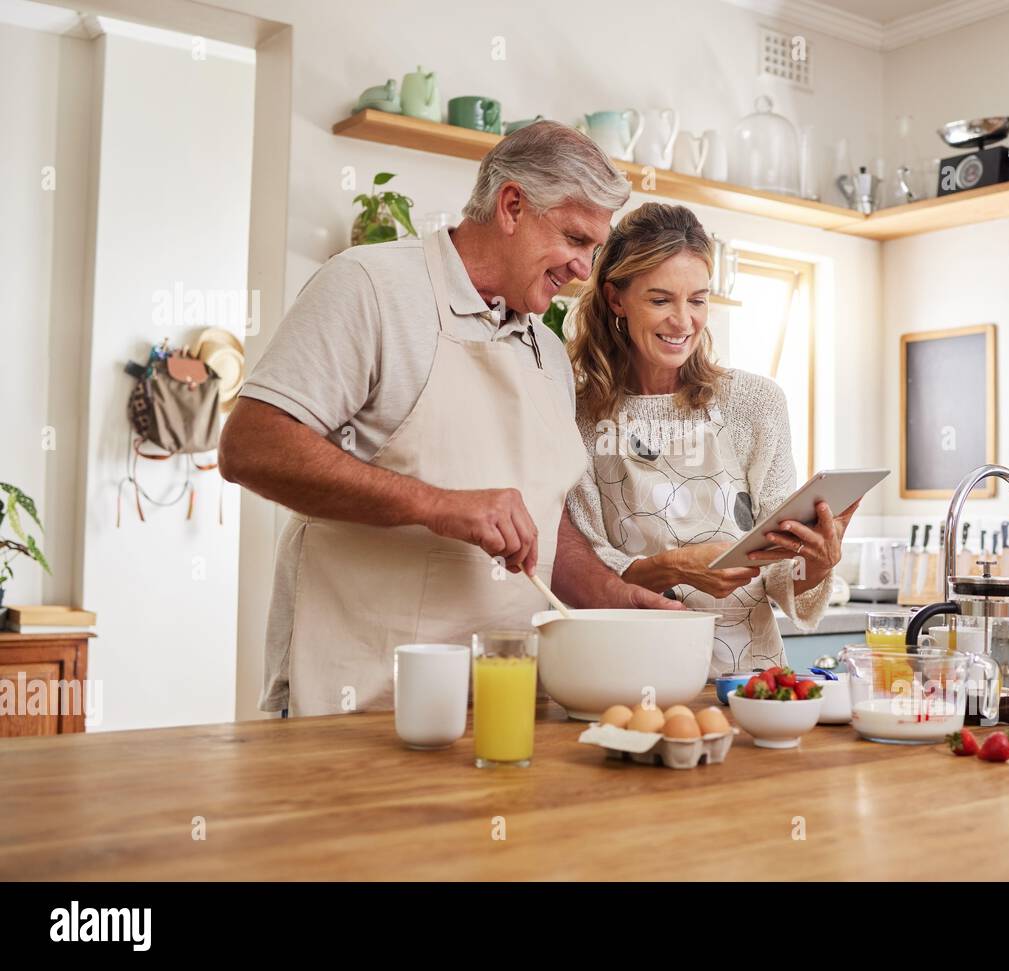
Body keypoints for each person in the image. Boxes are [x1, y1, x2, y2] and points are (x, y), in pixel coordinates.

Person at [219, 122, 676, 717]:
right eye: (574, 238)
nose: (584, 270)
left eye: (594, 249)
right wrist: (438, 504)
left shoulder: (546, 349)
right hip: (362, 706)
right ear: (512, 206)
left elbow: (540, 519)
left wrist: (608, 594)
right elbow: (251, 447)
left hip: (502, 709)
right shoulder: (369, 286)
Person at [565, 202, 858, 676]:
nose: (683, 321)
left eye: (697, 300)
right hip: (632, 674)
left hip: (753, 684)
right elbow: (591, 573)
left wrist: (819, 562)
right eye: (661, 300)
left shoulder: (754, 402)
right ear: (616, 298)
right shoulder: (578, 415)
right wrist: (673, 566)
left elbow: (784, 571)